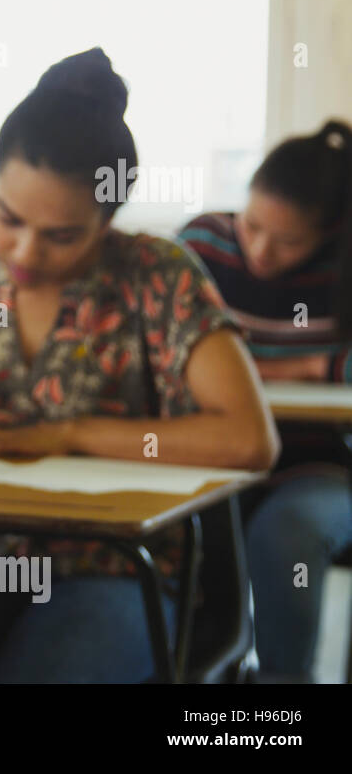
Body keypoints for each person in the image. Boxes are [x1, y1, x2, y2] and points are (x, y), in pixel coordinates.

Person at [0, 48, 279, 683]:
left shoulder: (156, 274)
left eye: (62, 235)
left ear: (109, 217)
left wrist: (67, 434)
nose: (24, 249)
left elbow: (248, 439)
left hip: (113, 568)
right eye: (8, 217)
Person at [179, 119, 352, 681]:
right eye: (251, 224)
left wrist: (300, 364)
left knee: (286, 534)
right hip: (210, 459)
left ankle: (281, 698)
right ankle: (205, 673)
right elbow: (158, 344)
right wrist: (315, 369)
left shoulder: (341, 269)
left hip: (315, 465)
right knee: (187, 534)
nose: (259, 249)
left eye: (288, 240)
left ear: (328, 232)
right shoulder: (204, 246)